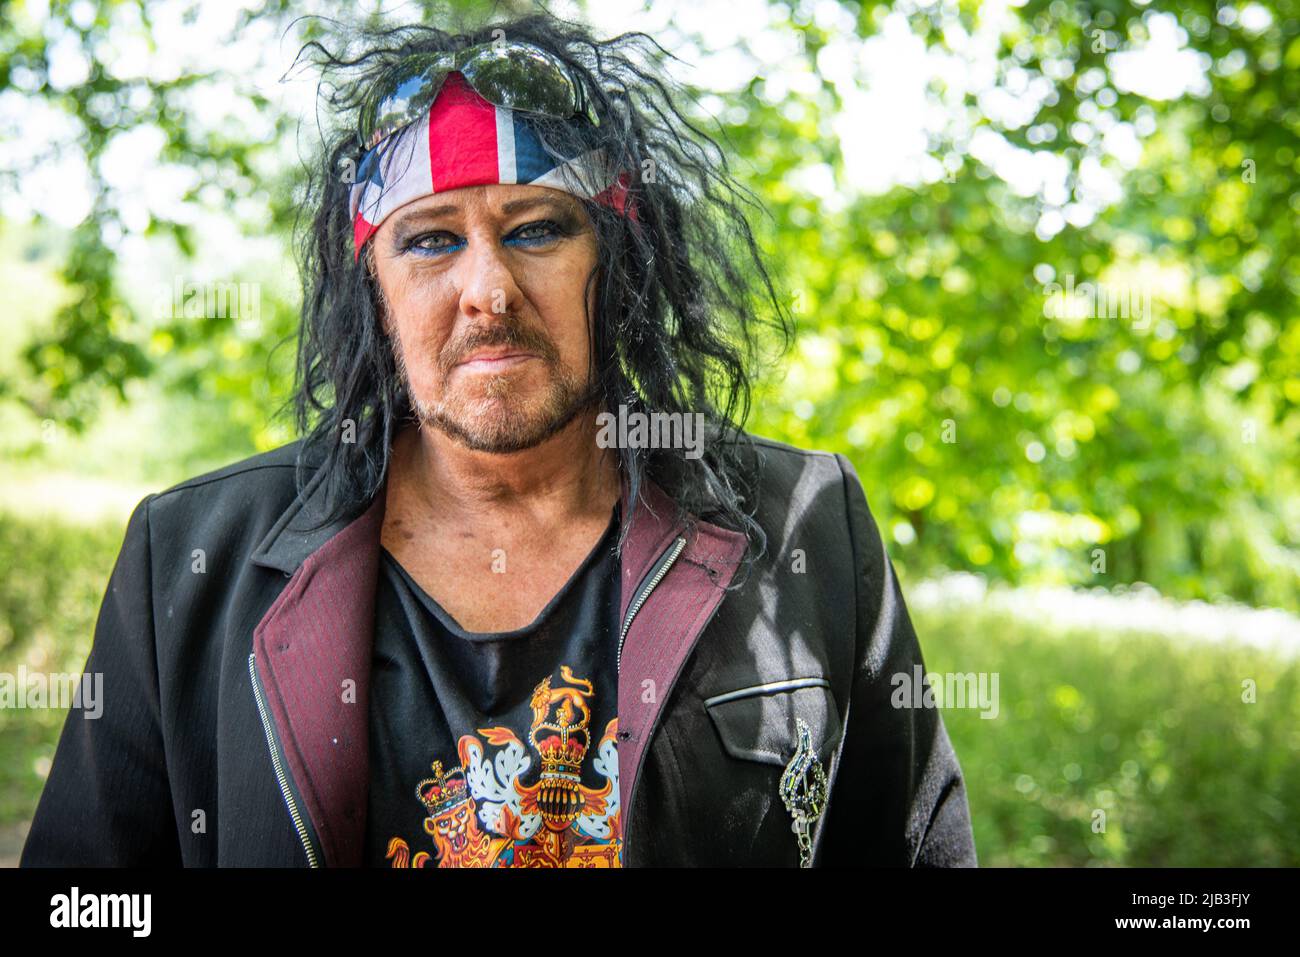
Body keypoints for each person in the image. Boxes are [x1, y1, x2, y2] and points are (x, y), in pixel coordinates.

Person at [22, 11, 976, 868]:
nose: (487, 290)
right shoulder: (187, 565)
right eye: (431, 240)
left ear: (620, 262)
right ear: (375, 294)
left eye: (536, 229)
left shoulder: (808, 525)